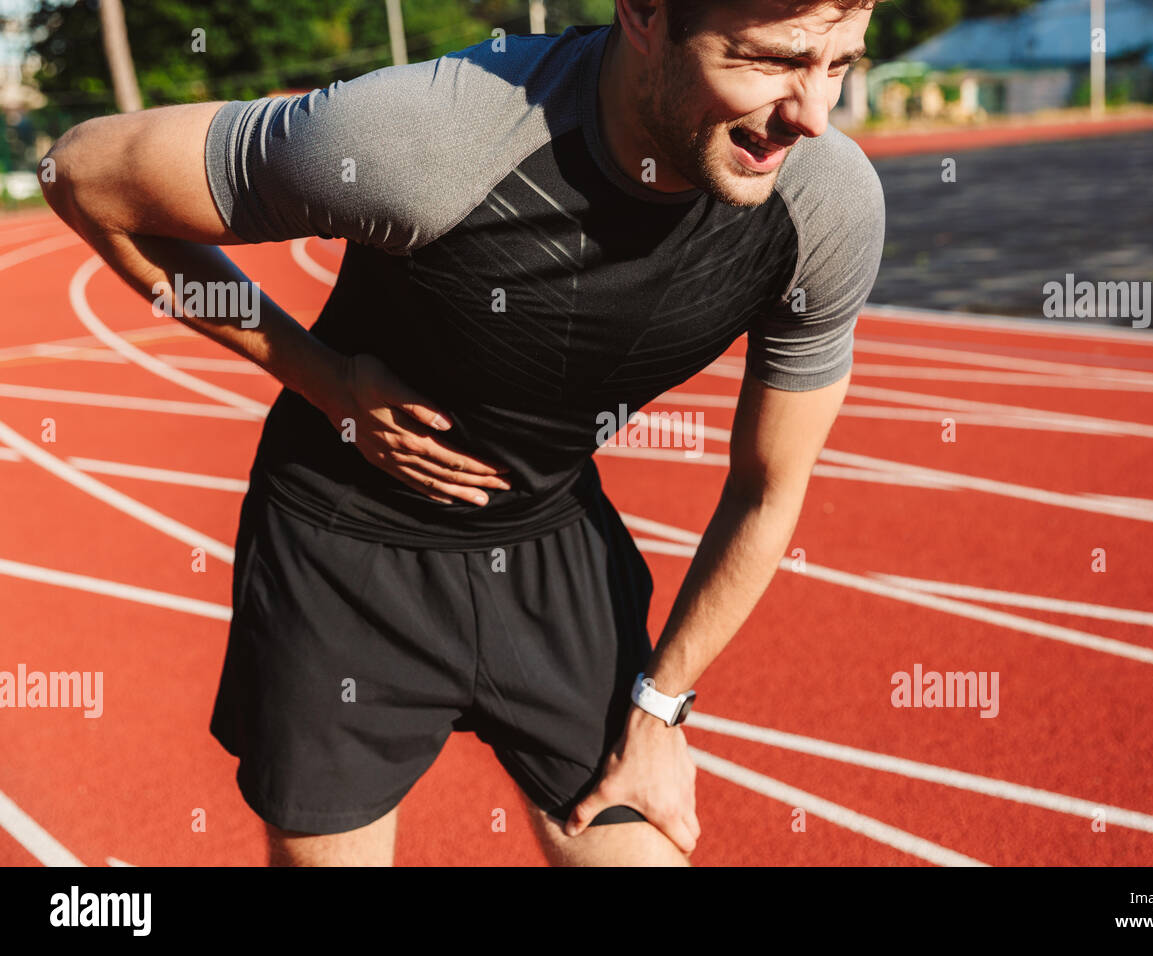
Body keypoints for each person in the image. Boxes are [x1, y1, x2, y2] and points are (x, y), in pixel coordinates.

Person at [40, 0, 885, 866]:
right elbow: (78, 172)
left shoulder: (825, 208)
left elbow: (766, 490)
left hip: (553, 551)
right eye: (770, 60)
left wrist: (662, 708)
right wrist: (322, 379)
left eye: (840, 65)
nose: (813, 115)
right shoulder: (425, 139)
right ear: (644, 14)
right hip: (341, 556)